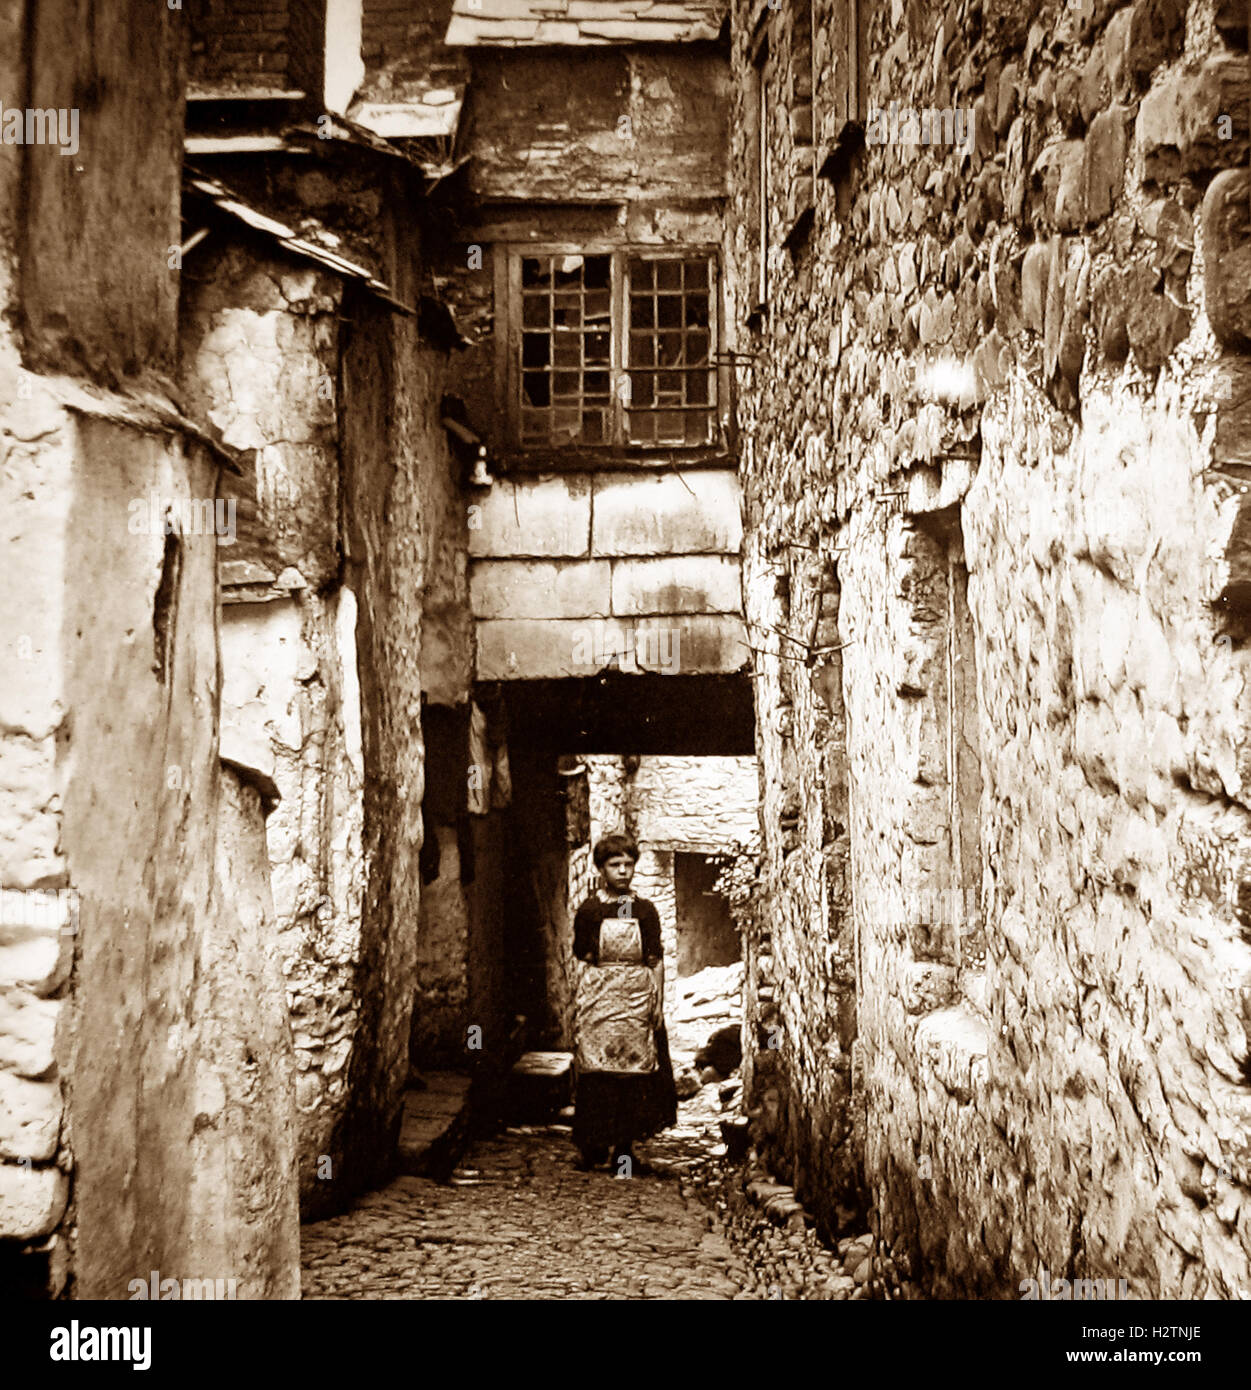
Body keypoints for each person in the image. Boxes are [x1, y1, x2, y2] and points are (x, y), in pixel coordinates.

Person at [571, 833, 677, 1171]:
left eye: (628, 864)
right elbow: (581, 958)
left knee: (632, 1073)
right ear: (602, 868)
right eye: (615, 865)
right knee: (597, 1068)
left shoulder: (645, 910)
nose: (623, 871)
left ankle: (624, 1149)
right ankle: (593, 1143)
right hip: (600, 995)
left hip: (635, 995)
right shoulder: (590, 909)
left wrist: (656, 1002)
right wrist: (582, 999)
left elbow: (654, 959)